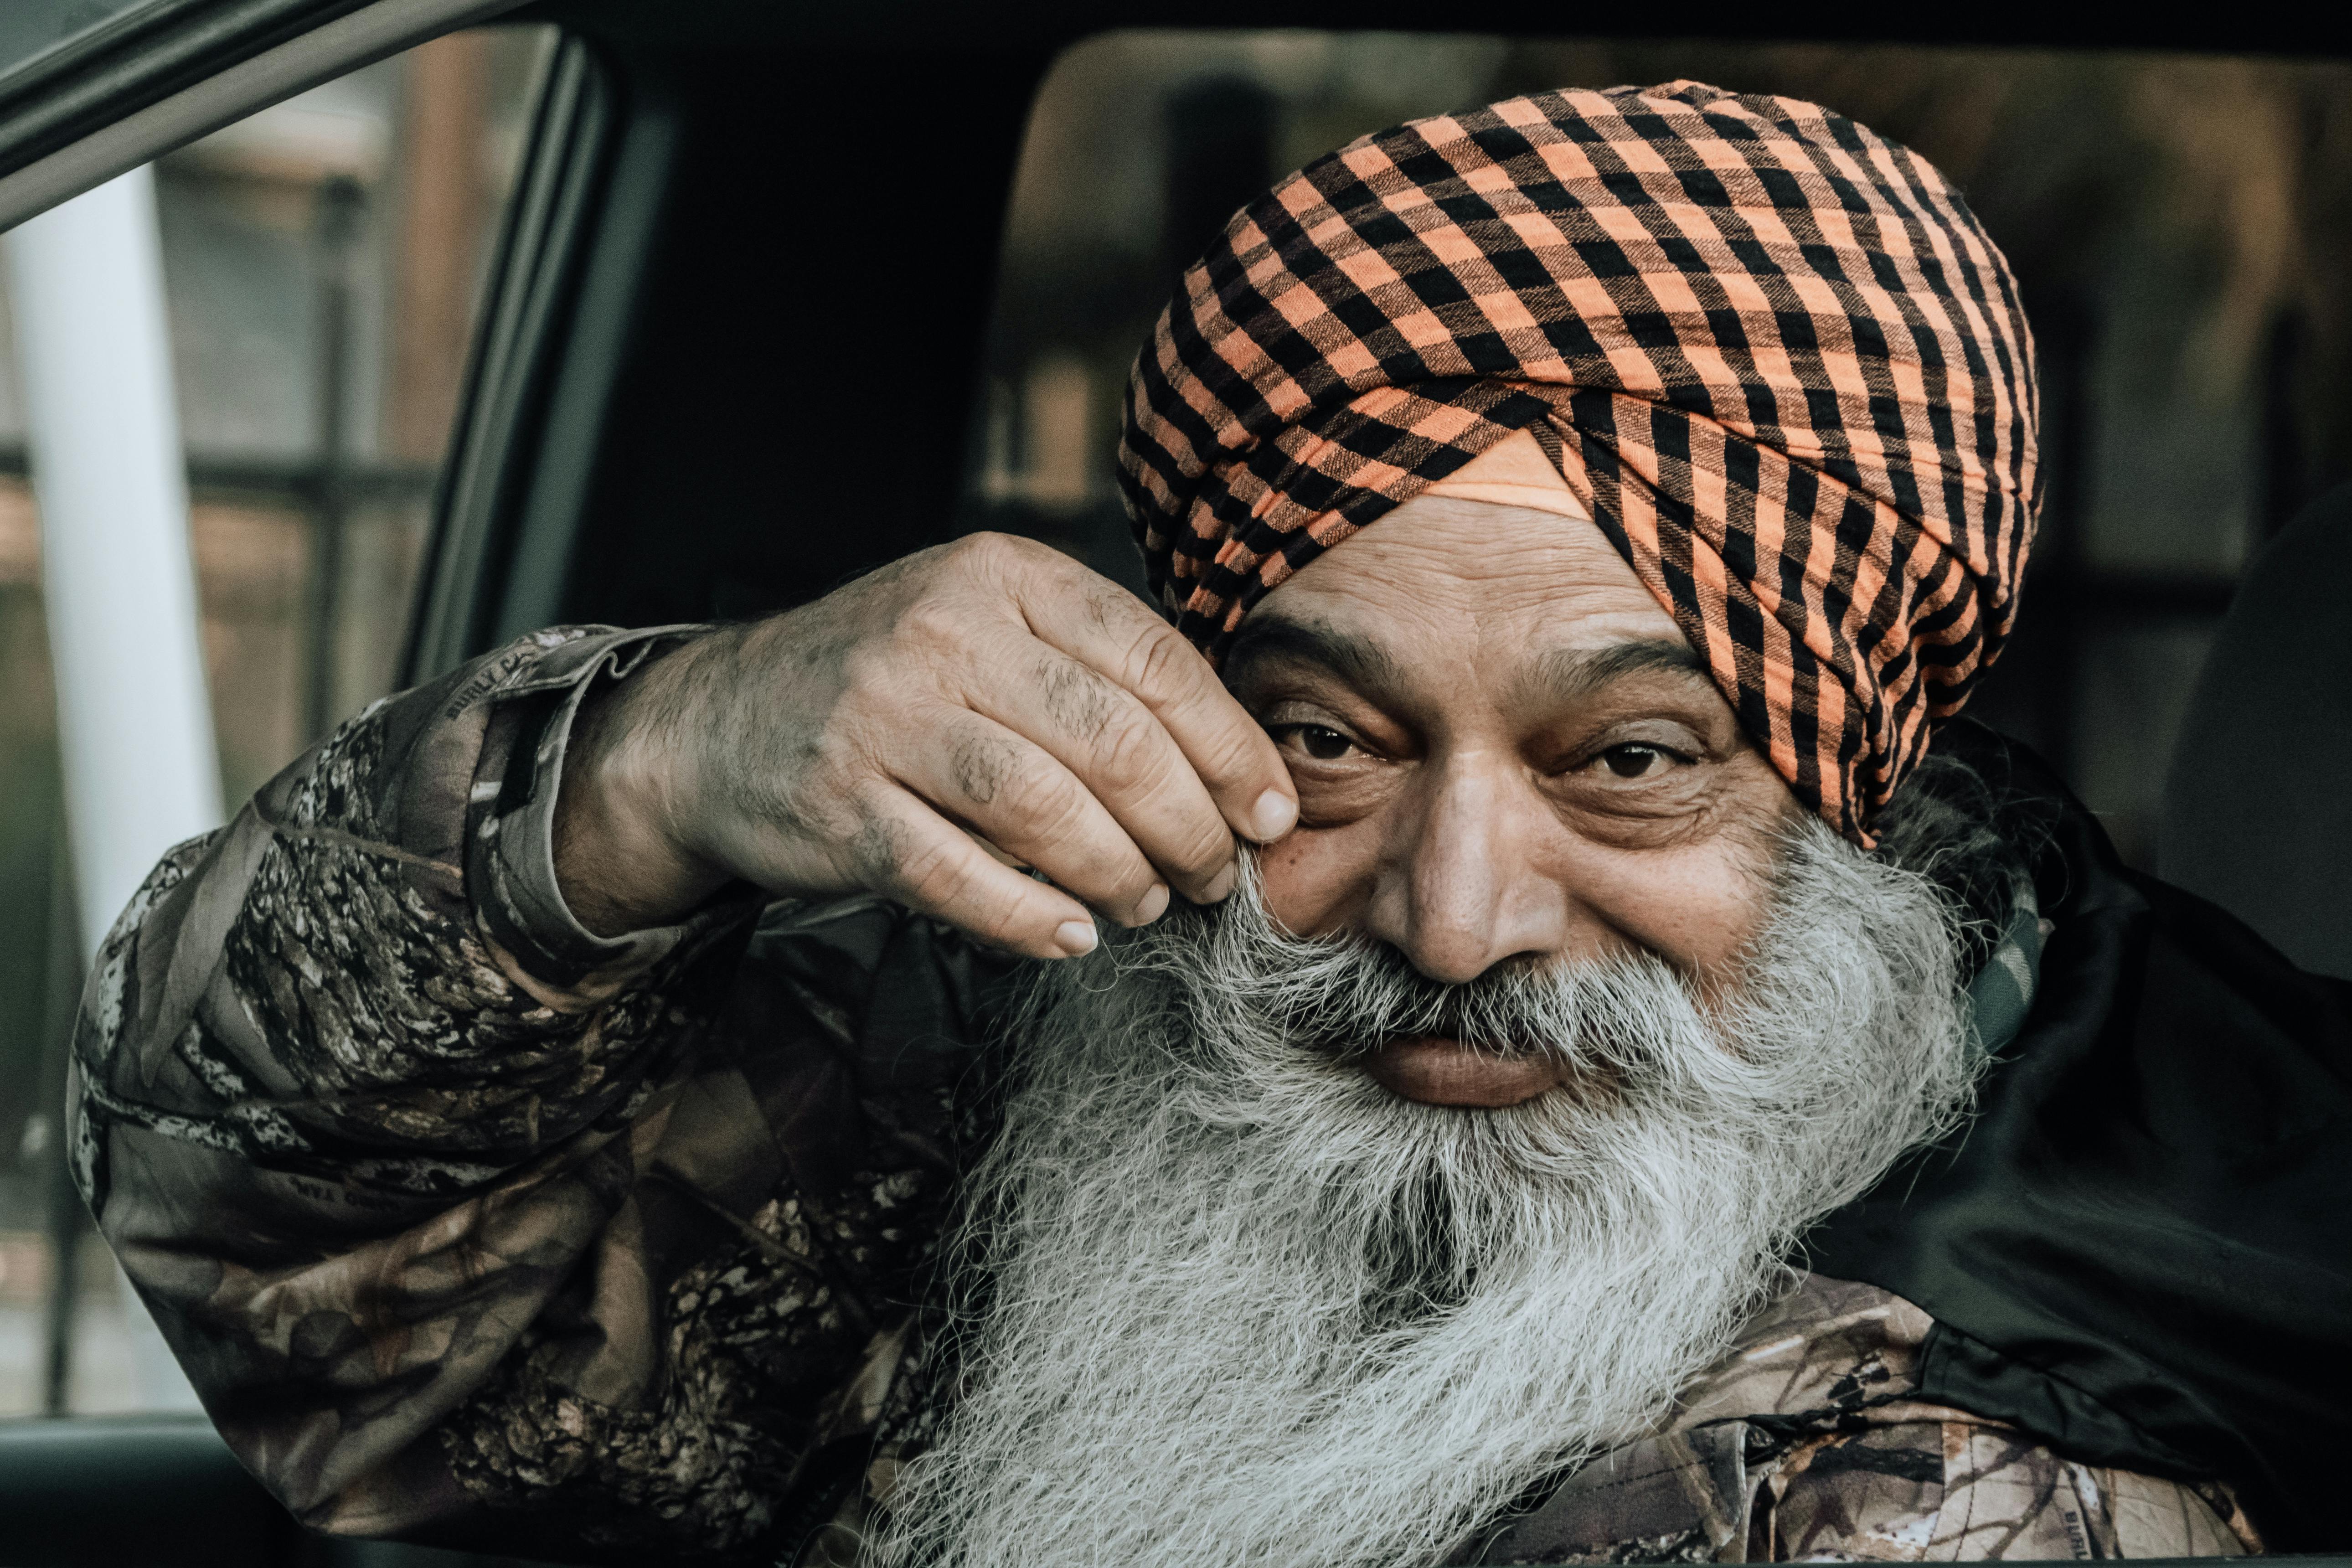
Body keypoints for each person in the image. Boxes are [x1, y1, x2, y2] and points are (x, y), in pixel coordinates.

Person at [69, 82, 2347, 1566]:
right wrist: (658, 756)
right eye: (1332, 740)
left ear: (1855, 801)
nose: (1454, 919)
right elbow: (343, 1306)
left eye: (1633, 759)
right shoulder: (1097, 1060)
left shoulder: (1961, 1488)